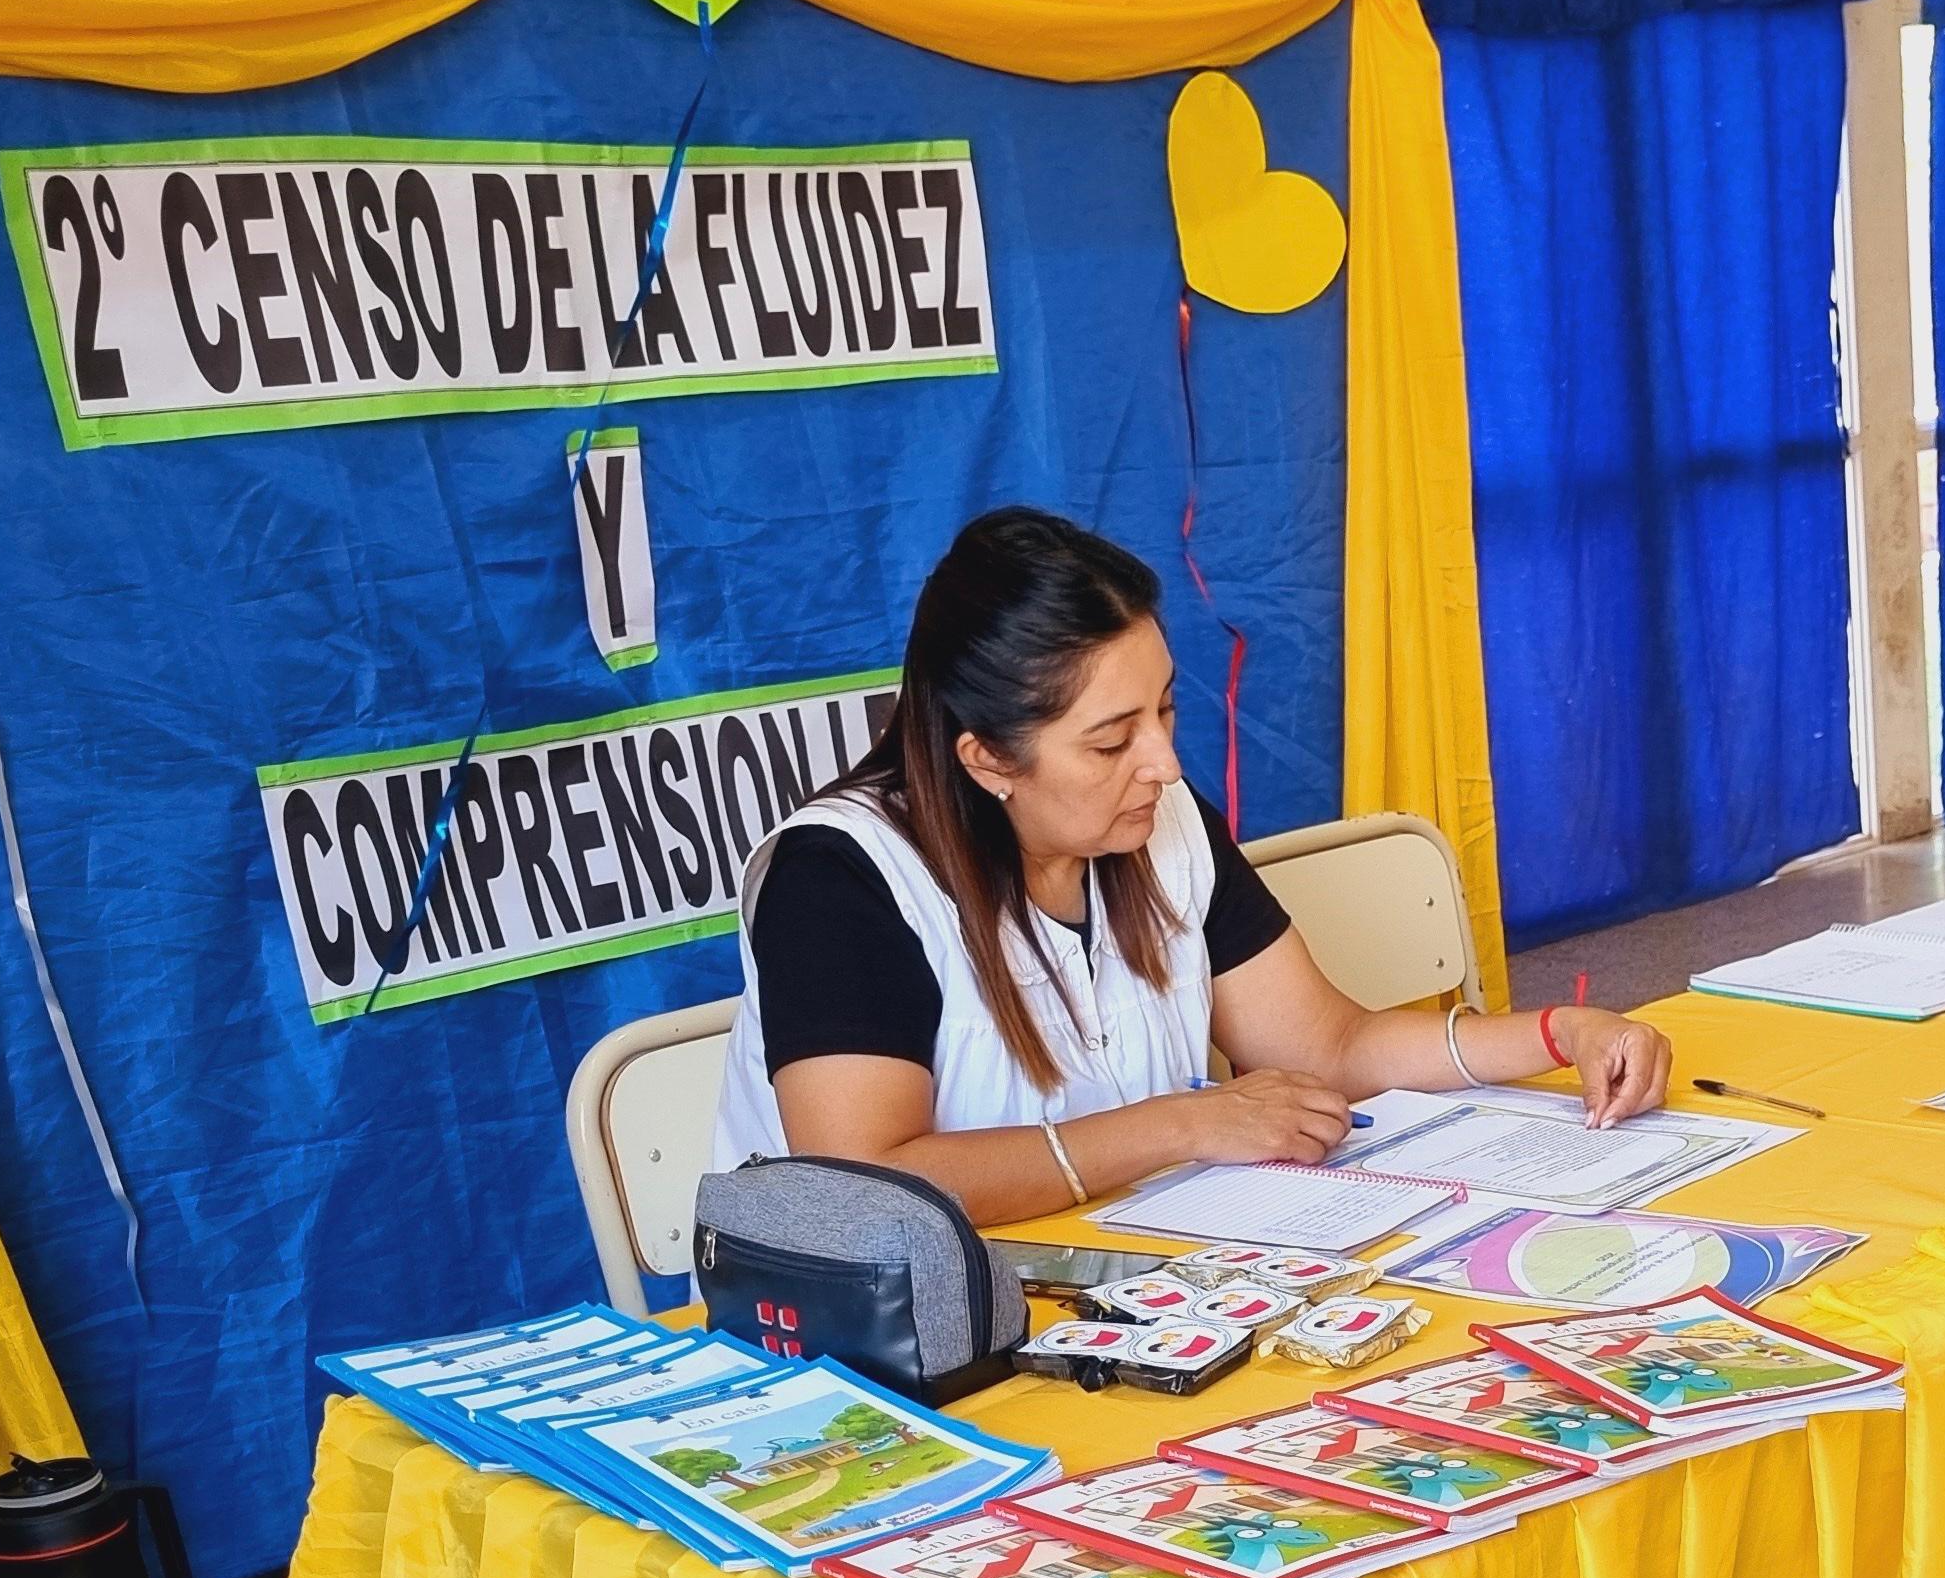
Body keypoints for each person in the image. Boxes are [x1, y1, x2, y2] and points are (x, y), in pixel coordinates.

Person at [711, 505, 1673, 1217]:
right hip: (914, 1351)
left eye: (1165, 709)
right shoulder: (840, 882)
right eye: (1109, 740)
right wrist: (1180, 1123)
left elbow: (1331, 1048)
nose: (1164, 764)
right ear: (986, 757)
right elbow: (865, 1185)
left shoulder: (1158, 825)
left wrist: (1562, 1032)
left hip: (1138, 1278)